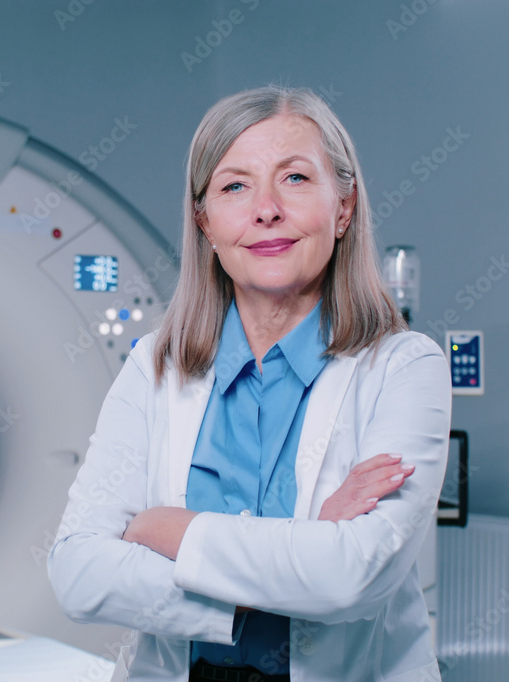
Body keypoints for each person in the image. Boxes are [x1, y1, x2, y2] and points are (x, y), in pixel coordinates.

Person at [47, 85, 451, 682]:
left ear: (343, 208)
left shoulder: (403, 368)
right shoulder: (154, 367)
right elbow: (79, 577)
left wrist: (169, 531)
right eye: (235, 186)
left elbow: (356, 578)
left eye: (294, 179)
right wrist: (306, 545)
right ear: (204, 221)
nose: (266, 209)